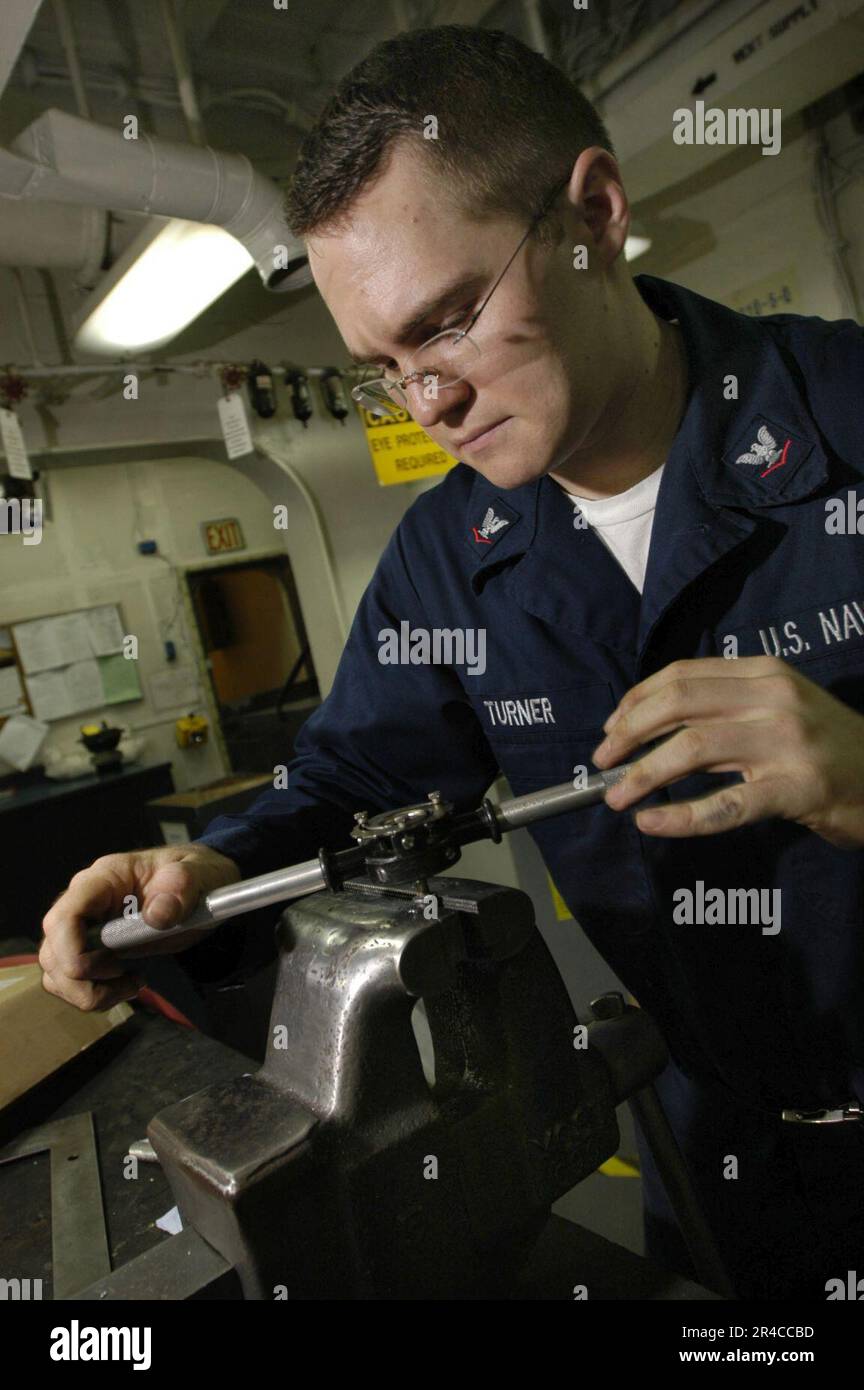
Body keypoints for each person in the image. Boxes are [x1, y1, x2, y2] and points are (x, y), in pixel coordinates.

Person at [40, 26, 864, 1300]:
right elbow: (352, 775)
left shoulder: (847, 420)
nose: (427, 405)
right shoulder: (451, 553)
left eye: (447, 324)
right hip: (720, 1152)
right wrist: (205, 872)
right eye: (383, 368)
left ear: (593, 213)